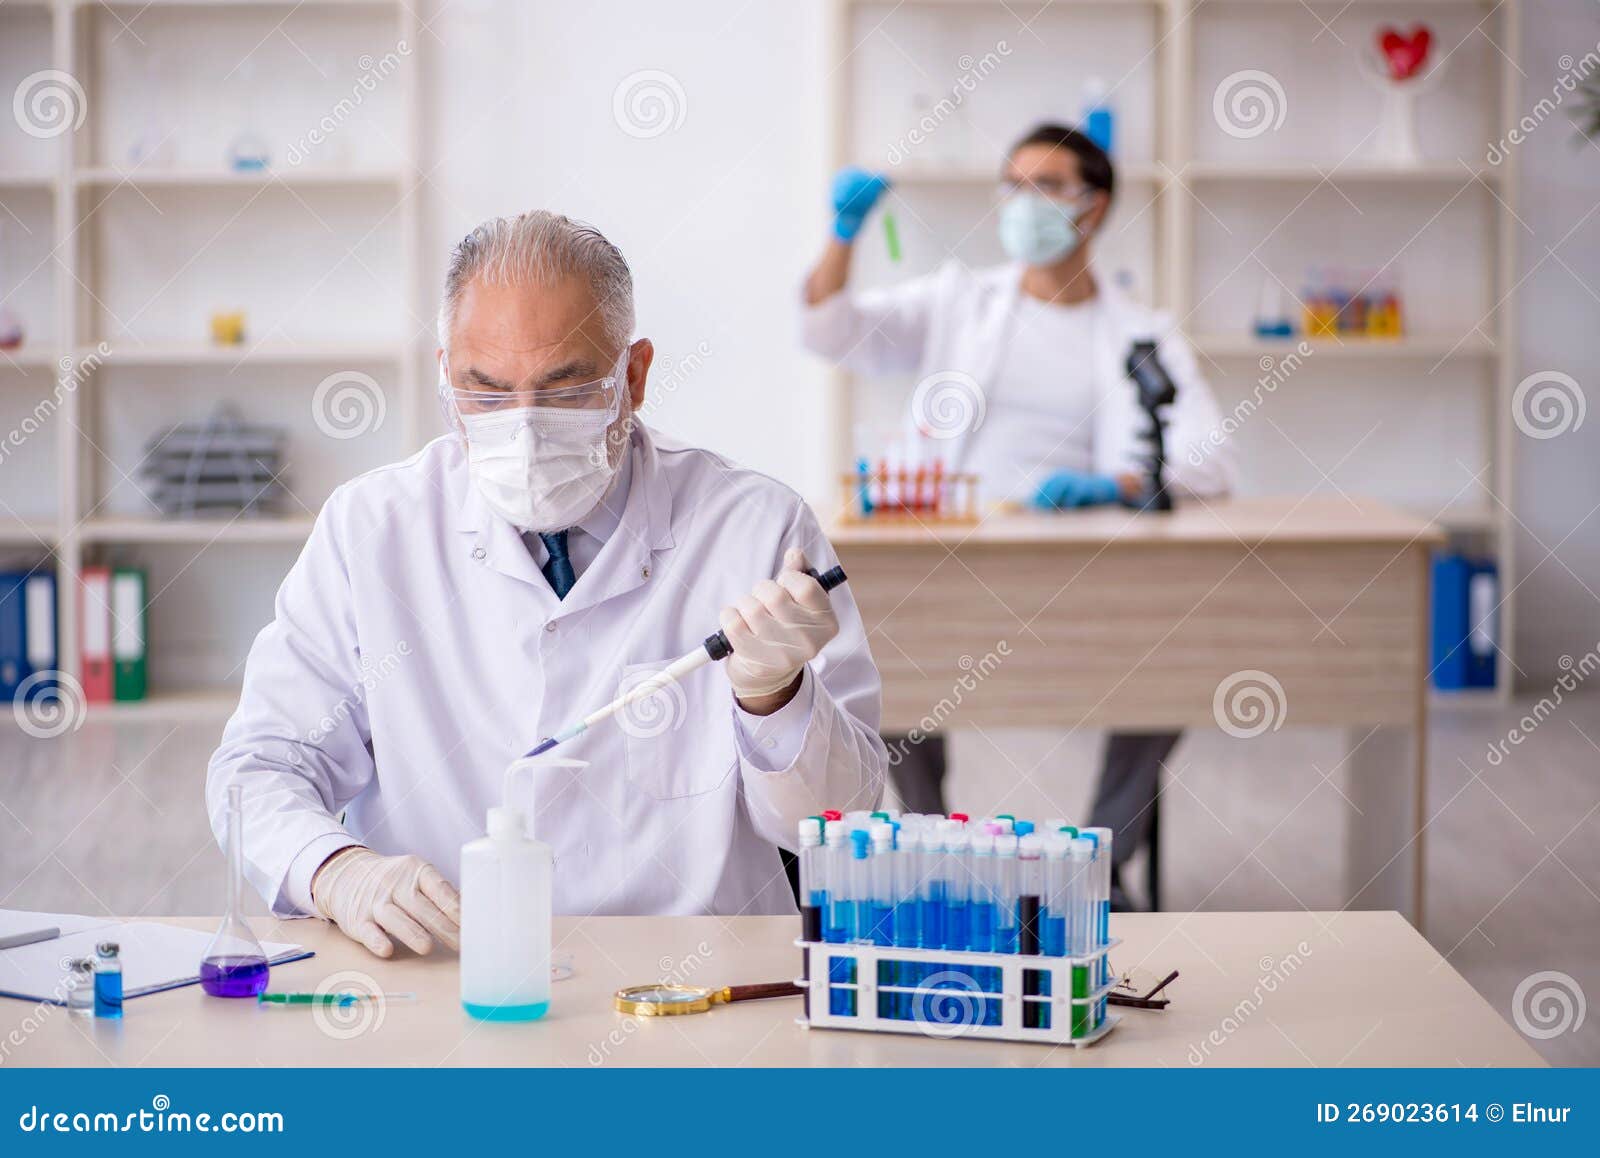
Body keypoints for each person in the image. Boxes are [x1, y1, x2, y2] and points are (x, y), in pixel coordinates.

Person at [208, 211, 886, 958]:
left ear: (633, 376)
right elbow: (261, 766)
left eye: (565, 392)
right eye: (487, 395)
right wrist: (335, 871)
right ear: (445, 375)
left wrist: (776, 699)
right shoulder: (371, 529)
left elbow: (841, 823)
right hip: (445, 970)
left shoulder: (756, 527)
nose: (524, 432)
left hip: (693, 986)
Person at [799, 124, 1234, 909]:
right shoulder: (960, 300)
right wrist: (843, 236)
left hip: (1087, 566)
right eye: (1013, 185)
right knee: (889, 659)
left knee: (1176, 667)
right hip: (958, 557)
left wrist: (1111, 483)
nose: (1022, 204)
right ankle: (940, 853)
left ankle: (1098, 866)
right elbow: (829, 332)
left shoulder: (1140, 330)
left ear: (1093, 207)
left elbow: (1209, 457)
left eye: (1046, 186)